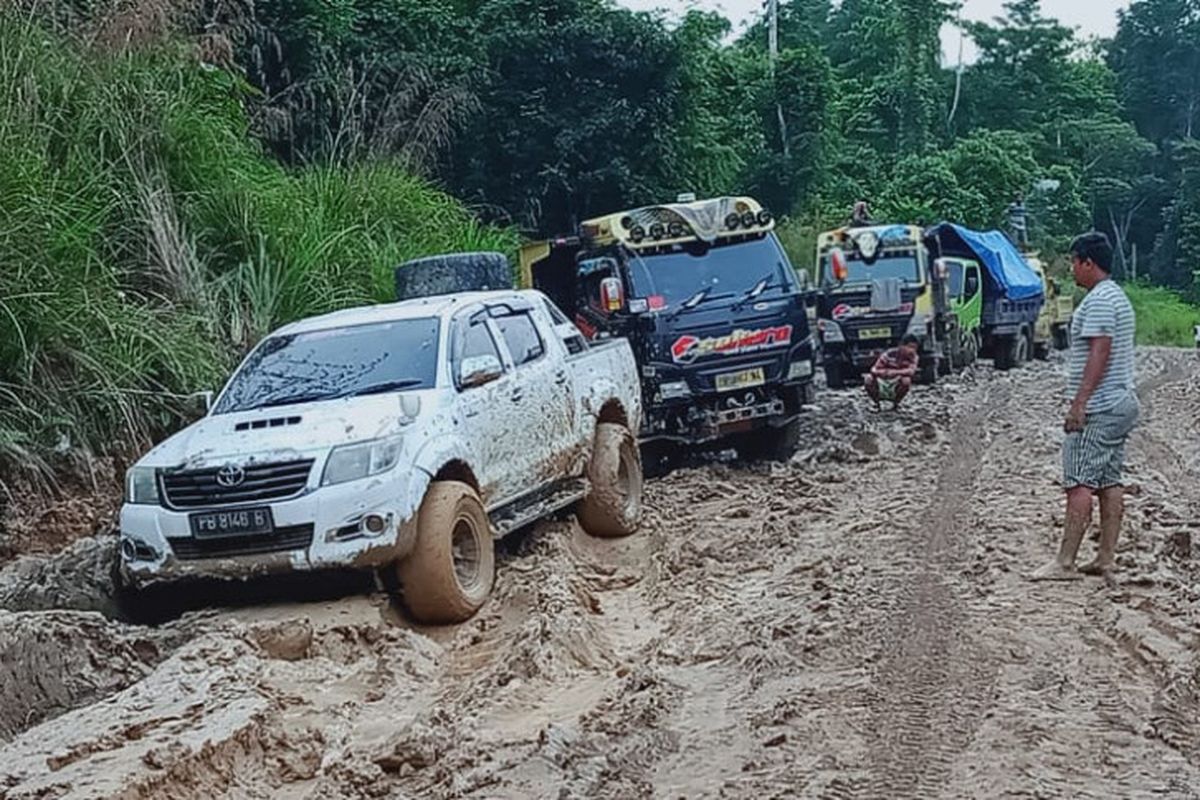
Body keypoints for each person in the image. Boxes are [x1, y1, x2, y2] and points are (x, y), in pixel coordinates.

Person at [1030, 232, 1137, 581]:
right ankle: (1105, 557)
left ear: (1088, 262)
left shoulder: (1100, 302)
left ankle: (1064, 562)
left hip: (1101, 406)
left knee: (1078, 482)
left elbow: (1099, 352)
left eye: (1074, 262)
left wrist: (1079, 403)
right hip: (1120, 401)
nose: (1072, 269)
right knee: (1109, 480)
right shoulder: (1116, 297)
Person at [864, 334, 920, 411]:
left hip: (897, 381)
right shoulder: (889, 354)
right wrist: (885, 372)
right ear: (901, 346)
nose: (912, 350)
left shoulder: (914, 357)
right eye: (910, 347)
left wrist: (894, 372)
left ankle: (896, 404)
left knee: (906, 381)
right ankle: (876, 403)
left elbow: (911, 371)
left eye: (915, 348)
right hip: (882, 379)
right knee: (868, 379)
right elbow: (874, 369)